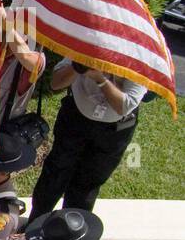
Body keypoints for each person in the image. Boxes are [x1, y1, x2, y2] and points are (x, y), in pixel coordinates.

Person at [29, 57, 147, 218]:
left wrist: (100, 79)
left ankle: (69, 233)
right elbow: (55, 83)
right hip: (75, 118)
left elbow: (124, 106)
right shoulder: (87, 43)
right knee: (54, 174)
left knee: (86, 185)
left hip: (114, 130)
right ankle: (34, 225)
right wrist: (78, 67)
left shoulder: (138, 57)